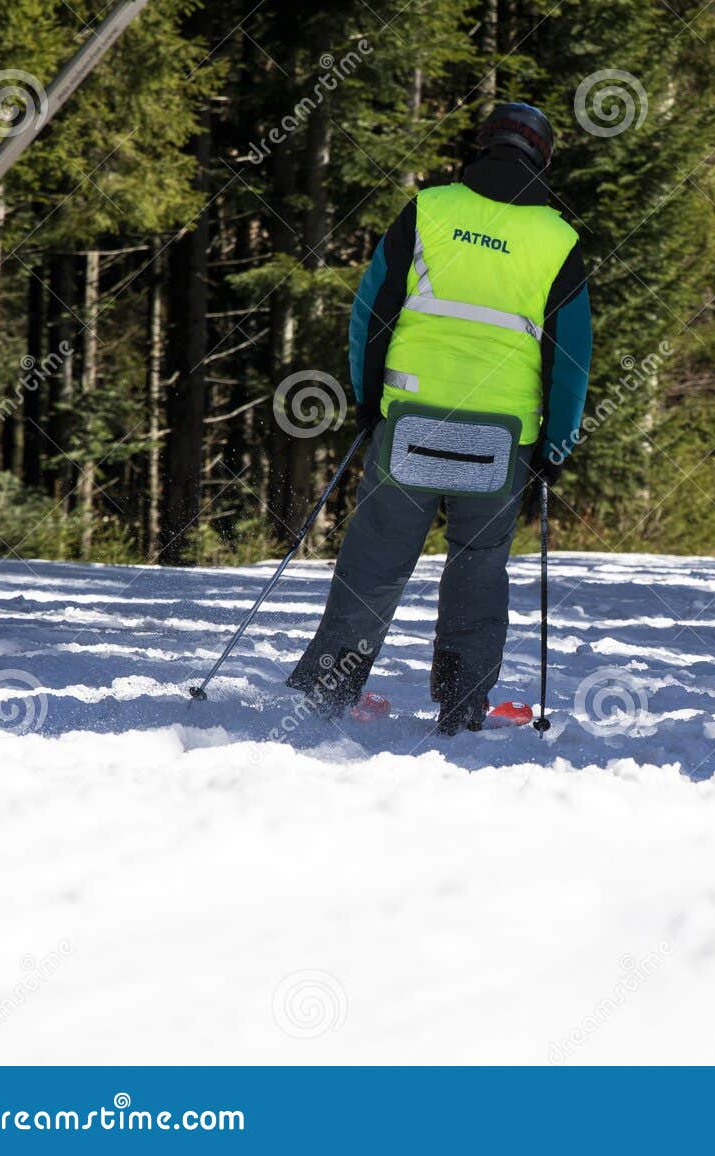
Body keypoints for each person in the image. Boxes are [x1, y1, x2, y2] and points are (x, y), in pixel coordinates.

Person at [286, 103, 592, 734]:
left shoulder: (429, 209)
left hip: (410, 423)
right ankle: (462, 703)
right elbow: (571, 358)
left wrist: (369, 403)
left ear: (481, 146)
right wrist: (557, 445)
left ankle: (327, 691)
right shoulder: (558, 238)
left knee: (375, 560)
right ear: (545, 158)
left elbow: (371, 314)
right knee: (478, 568)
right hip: (503, 441)